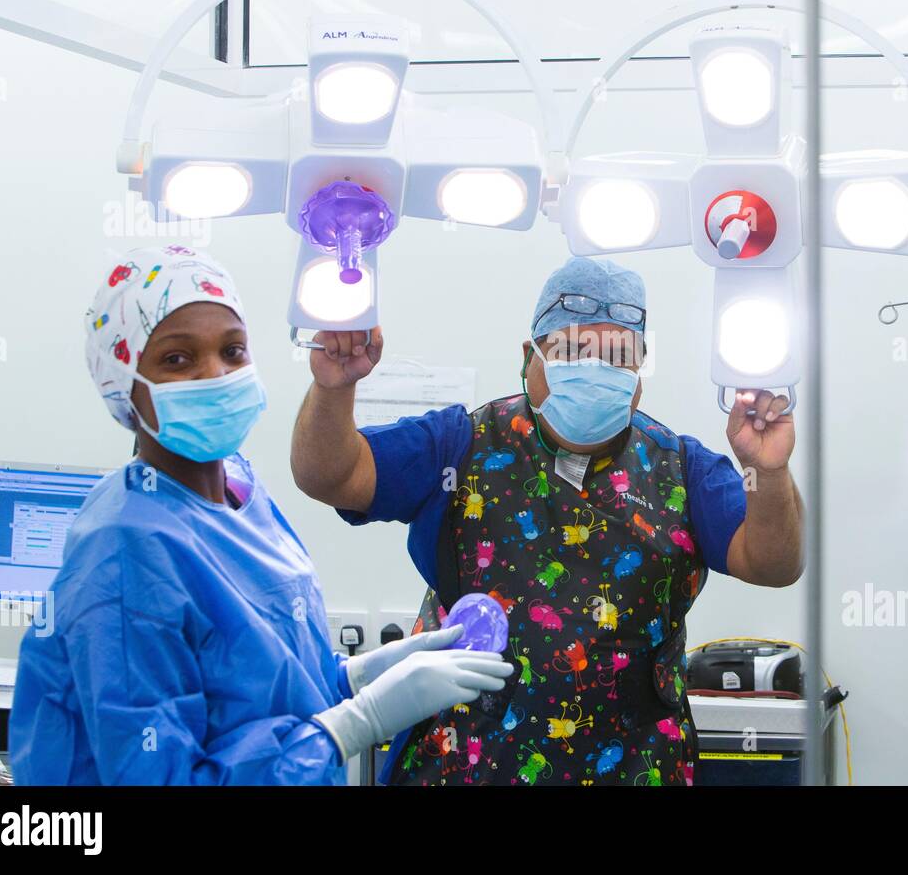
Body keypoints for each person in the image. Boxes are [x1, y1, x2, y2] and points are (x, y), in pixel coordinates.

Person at [9, 246, 512, 785]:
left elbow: (268, 685)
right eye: (178, 359)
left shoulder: (241, 493)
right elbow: (156, 776)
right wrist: (354, 724)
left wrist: (356, 678)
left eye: (232, 350)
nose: (215, 374)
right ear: (123, 386)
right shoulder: (124, 547)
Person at [291, 256, 803, 785]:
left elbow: (774, 563)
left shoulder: (681, 469)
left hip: (631, 766)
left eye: (617, 355)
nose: (594, 369)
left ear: (641, 369)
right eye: (573, 350)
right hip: (464, 761)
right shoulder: (460, 444)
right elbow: (332, 474)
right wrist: (334, 388)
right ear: (528, 356)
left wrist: (768, 469)